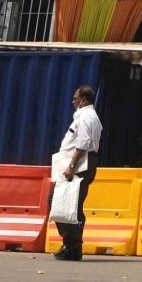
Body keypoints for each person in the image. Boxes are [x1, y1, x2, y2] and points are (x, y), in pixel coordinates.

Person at [53, 84, 102, 261]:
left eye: (75, 99)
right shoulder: (88, 116)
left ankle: (72, 245)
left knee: (60, 202)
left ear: (83, 100)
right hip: (81, 162)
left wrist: (71, 166)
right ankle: (71, 245)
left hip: (80, 164)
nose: (72, 102)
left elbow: (83, 143)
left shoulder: (86, 116)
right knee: (73, 205)